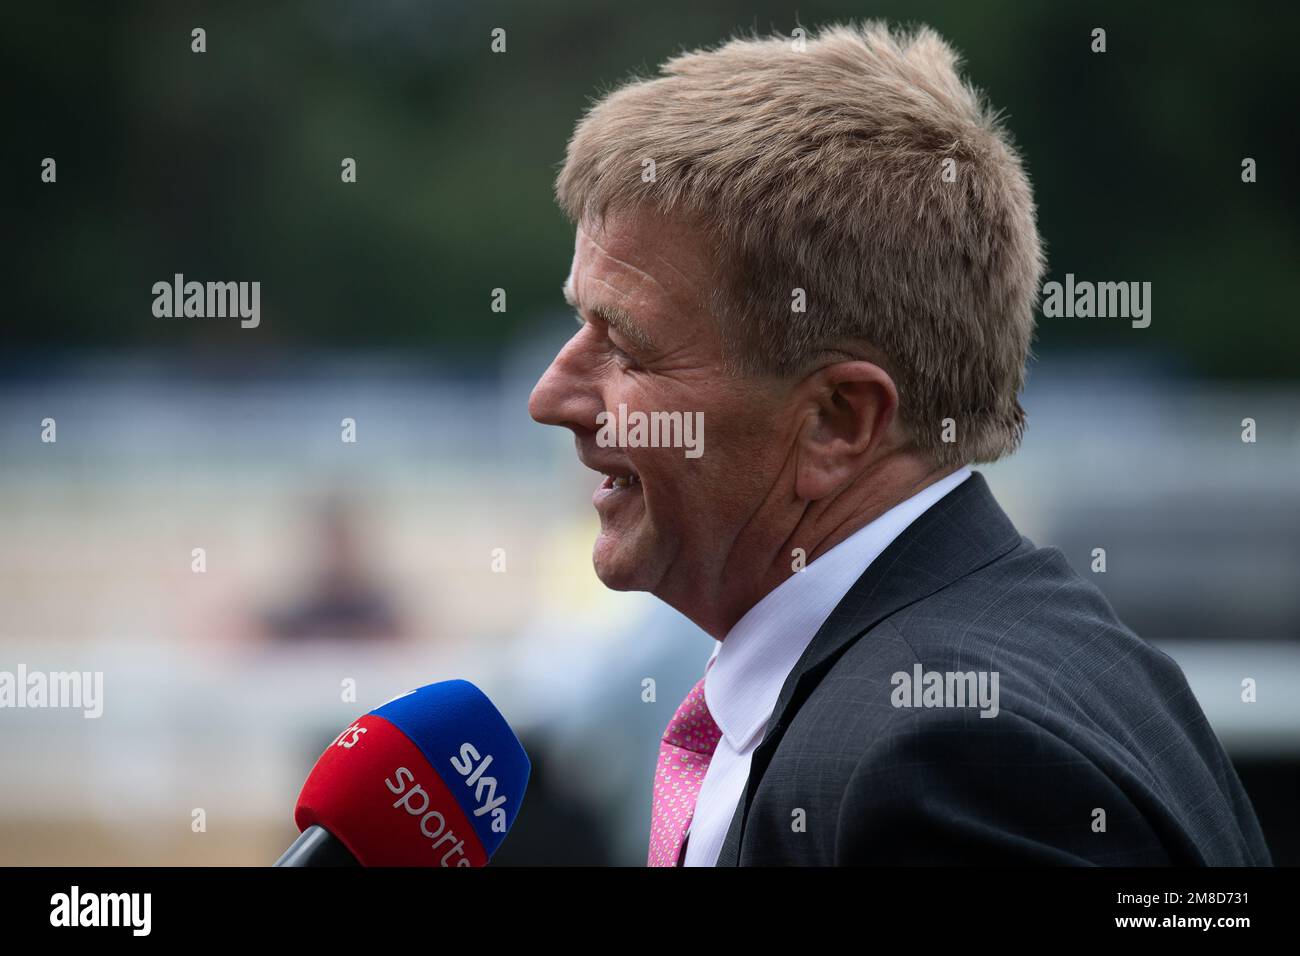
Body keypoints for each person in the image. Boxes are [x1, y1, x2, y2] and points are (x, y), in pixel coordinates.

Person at [528, 21, 1271, 866]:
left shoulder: (940, 759)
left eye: (626, 345)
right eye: (577, 322)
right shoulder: (1004, 679)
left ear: (838, 423)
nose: (551, 397)